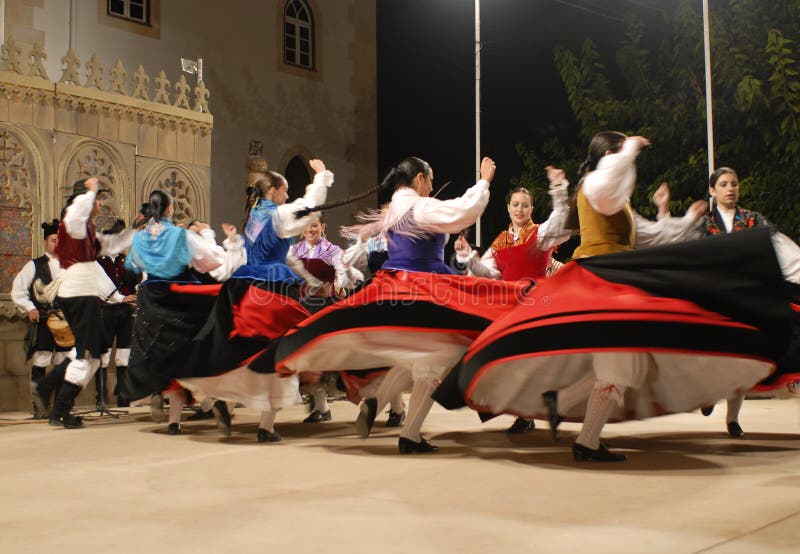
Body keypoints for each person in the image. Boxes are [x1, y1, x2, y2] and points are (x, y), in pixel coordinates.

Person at [434, 132, 794, 463]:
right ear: (609, 155)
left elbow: (649, 236)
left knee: (631, 365)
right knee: (621, 364)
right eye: (619, 154)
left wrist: (685, 220)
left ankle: (561, 406)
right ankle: (586, 440)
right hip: (599, 281)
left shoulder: (616, 202)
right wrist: (631, 148)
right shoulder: (595, 185)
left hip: (614, 280)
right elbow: (610, 175)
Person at [266, 156, 528, 453]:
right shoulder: (418, 205)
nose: (430, 186)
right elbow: (462, 212)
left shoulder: (394, 208)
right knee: (436, 359)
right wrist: (484, 181)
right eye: (429, 180)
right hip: (424, 288)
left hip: (394, 284)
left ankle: (378, 403)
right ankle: (410, 434)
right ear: (419, 179)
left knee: (415, 358)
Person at [177, 161, 334, 442]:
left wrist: (310, 281)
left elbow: (285, 256)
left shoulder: (253, 218)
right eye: (284, 192)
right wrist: (321, 176)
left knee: (245, 351)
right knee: (279, 354)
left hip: (248, 288)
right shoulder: (277, 215)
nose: (286, 197)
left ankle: (223, 403)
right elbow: (309, 207)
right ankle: (266, 426)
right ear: (273, 191)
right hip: (272, 291)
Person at [453, 167, 572, 433]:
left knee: (537, 360)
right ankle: (526, 413)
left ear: (531, 209)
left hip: (538, 307)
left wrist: (558, 189)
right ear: (508, 208)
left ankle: (548, 402)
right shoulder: (500, 242)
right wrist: (468, 256)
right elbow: (488, 274)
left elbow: (561, 219)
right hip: (509, 310)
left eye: (525, 205)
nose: (520, 209)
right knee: (512, 363)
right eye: (516, 204)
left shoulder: (539, 235)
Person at [122, 191, 230, 435]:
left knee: (162, 358)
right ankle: (208, 401)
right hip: (178, 298)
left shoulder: (139, 239)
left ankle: (175, 419)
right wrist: (207, 234)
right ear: (170, 209)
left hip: (150, 300)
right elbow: (211, 261)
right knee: (193, 352)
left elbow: (131, 266)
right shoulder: (181, 235)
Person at [41, 178, 133, 428]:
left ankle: (50, 391)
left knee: (94, 350)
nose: (100, 203)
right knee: (89, 354)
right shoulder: (73, 217)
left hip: (83, 291)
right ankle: (59, 409)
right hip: (79, 292)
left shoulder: (87, 226)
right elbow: (76, 216)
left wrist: (138, 230)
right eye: (97, 198)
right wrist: (89, 193)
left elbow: (107, 247)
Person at [290, 212, 362, 423]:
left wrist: (337, 286)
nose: (310, 230)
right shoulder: (295, 250)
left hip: (324, 306)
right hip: (302, 307)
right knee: (299, 355)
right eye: (306, 226)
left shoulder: (333, 250)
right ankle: (321, 406)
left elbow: (341, 272)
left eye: (314, 226)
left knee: (327, 356)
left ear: (323, 227)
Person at [11, 219, 70, 418]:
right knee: (41, 360)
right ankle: (39, 407)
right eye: (54, 240)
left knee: (64, 361)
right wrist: (29, 308)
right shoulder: (34, 265)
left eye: (60, 240)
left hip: (64, 321)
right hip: (43, 319)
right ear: (45, 242)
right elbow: (18, 291)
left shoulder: (68, 266)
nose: (57, 244)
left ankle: (61, 406)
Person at [95, 219, 138, 409]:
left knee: (123, 354)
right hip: (105, 311)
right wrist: (121, 298)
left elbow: (133, 282)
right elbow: (99, 287)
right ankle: (101, 398)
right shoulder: (97, 261)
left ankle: (123, 396)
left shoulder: (124, 261)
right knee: (103, 354)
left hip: (124, 312)